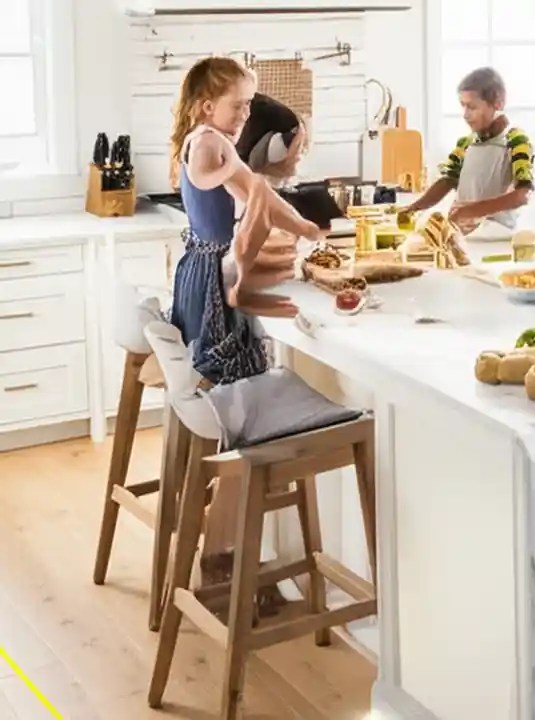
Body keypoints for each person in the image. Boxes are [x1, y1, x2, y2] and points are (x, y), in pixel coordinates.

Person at [167, 56, 321, 607]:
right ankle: (220, 564)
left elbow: (256, 192)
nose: (245, 115)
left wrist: (301, 225)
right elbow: (252, 189)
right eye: (239, 105)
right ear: (208, 105)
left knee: (239, 409)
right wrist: (276, 208)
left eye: (250, 105)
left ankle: (225, 550)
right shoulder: (210, 142)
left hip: (200, 271)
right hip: (212, 285)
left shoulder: (204, 139)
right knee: (246, 423)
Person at [400, 67, 535, 235]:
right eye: (463, 106)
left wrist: (471, 211)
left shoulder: (516, 140)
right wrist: (413, 208)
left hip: (497, 234)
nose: (465, 115)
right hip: (463, 233)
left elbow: (523, 195)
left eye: (472, 107)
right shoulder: (466, 143)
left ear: (498, 103)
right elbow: (447, 180)